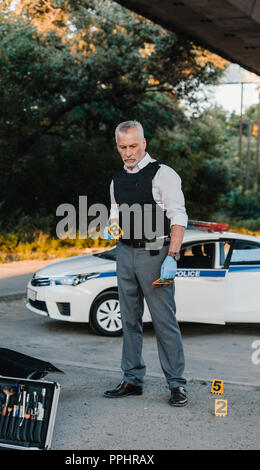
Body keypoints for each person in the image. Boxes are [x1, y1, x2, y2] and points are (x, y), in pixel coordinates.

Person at [103, 120, 188, 406]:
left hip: (156, 254)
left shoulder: (163, 174)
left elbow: (178, 217)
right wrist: (112, 226)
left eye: (133, 146)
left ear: (144, 143)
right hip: (125, 253)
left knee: (164, 322)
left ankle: (176, 384)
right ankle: (132, 379)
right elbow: (116, 210)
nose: (128, 152)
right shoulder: (117, 179)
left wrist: (172, 257)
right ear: (118, 147)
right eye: (122, 147)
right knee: (129, 320)